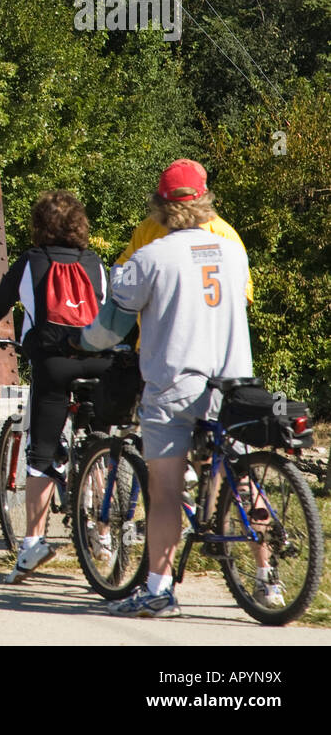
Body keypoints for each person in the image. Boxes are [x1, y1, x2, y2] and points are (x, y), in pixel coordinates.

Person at [83, 159, 253, 617]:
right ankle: (254, 560)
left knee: (164, 492)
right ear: (204, 201)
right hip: (233, 382)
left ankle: (159, 589)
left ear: (160, 204)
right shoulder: (233, 252)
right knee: (234, 461)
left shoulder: (151, 257)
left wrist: (82, 341)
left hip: (174, 384)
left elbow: (110, 329)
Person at [0, 190, 112, 584]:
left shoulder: (32, 262)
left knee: (42, 454)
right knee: (100, 437)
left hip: (53, 363)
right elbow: (110, 309)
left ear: (40, 225)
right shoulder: (95, 262)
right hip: (98, 362)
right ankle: (105, 533)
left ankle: (33, 543)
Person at [115, 158, 253, 304]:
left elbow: (124, 274)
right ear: (204, 192)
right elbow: (243, 294)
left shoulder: (221, 231)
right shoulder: (226, 236)